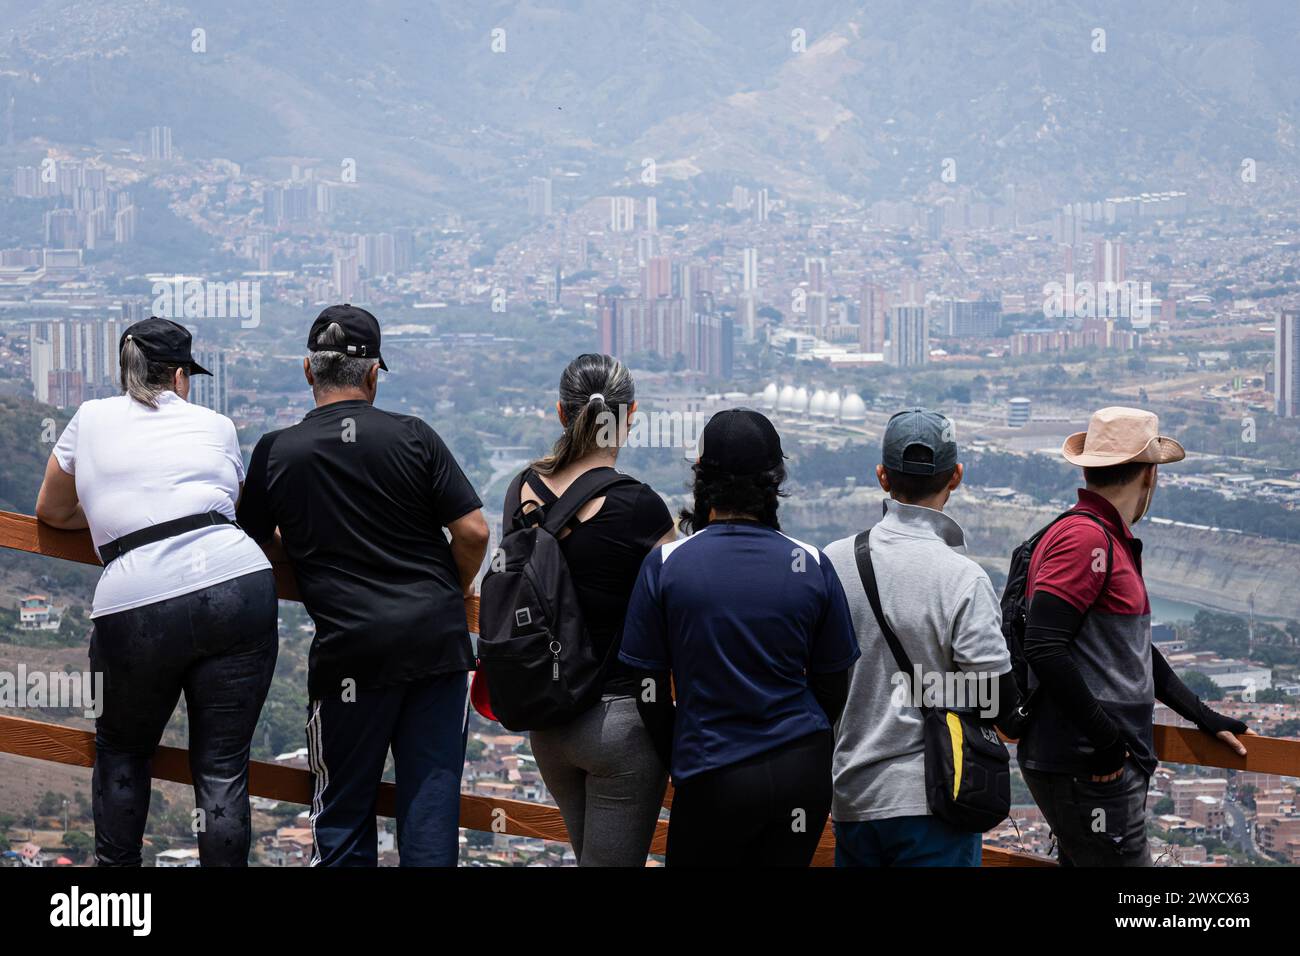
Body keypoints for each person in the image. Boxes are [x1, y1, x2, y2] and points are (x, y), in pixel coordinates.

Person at [237, 304, 489, 867]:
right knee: (430, 808)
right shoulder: (414, 436)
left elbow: (252, 544)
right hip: (437, 646)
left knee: (343, 814)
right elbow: (473, 531)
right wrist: (449, 588)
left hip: (352, 652)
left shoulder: (277, 452)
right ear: (374, 372)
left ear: (308, 370)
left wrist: (309, 566)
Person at [35, 317, 277, 867]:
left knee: (122, 752)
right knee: (221, 767)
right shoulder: (216, 425)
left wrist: (110, 523)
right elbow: (228, 506)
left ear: (127, 372)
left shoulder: (90, 418)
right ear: (177, 375)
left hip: (136, 598)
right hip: (235, 580)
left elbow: (49, 511)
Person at [619, 409, 860, 866]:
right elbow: (833, 686)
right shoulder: (810, 563)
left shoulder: (668, 564)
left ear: (701, 476)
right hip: (800, 774)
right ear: (774, 479)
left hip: (712, 771)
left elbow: (647, 690)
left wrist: (680, 754)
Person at [1018, 406, 1249, 866]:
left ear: (1088, 469)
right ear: (1150, 475)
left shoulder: (1095, 535)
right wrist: (1107, 746)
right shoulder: (1087, 541)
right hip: (1091, 767)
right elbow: (1043, 644)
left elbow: (1130, 651)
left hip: (1086, 762)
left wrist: (1203, 715)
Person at [824, 409, 1021, 867]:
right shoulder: (963, 579)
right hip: (937, 797)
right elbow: (996, 699)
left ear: (881, 477)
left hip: (853, 796)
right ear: (956, 476)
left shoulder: (833, 562)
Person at [502, 354, 675, 866]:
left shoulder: (522, 492)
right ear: (631, 415)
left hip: (547, 719)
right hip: (617, 723)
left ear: (561, 412)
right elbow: (686, 597)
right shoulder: (640, 507)